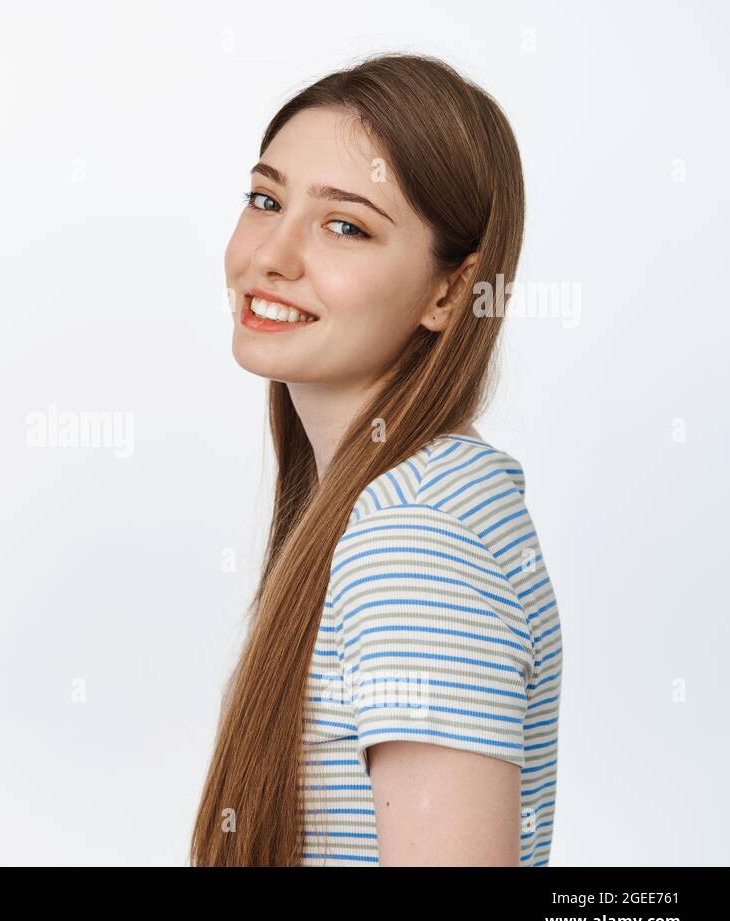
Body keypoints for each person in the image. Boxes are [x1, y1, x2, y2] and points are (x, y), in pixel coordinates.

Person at [191, 52, 563, 866]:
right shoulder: (406, 501)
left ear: (448, 293)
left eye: (345, 225)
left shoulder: (417, 536)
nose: (271, 256)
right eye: (266, 200)